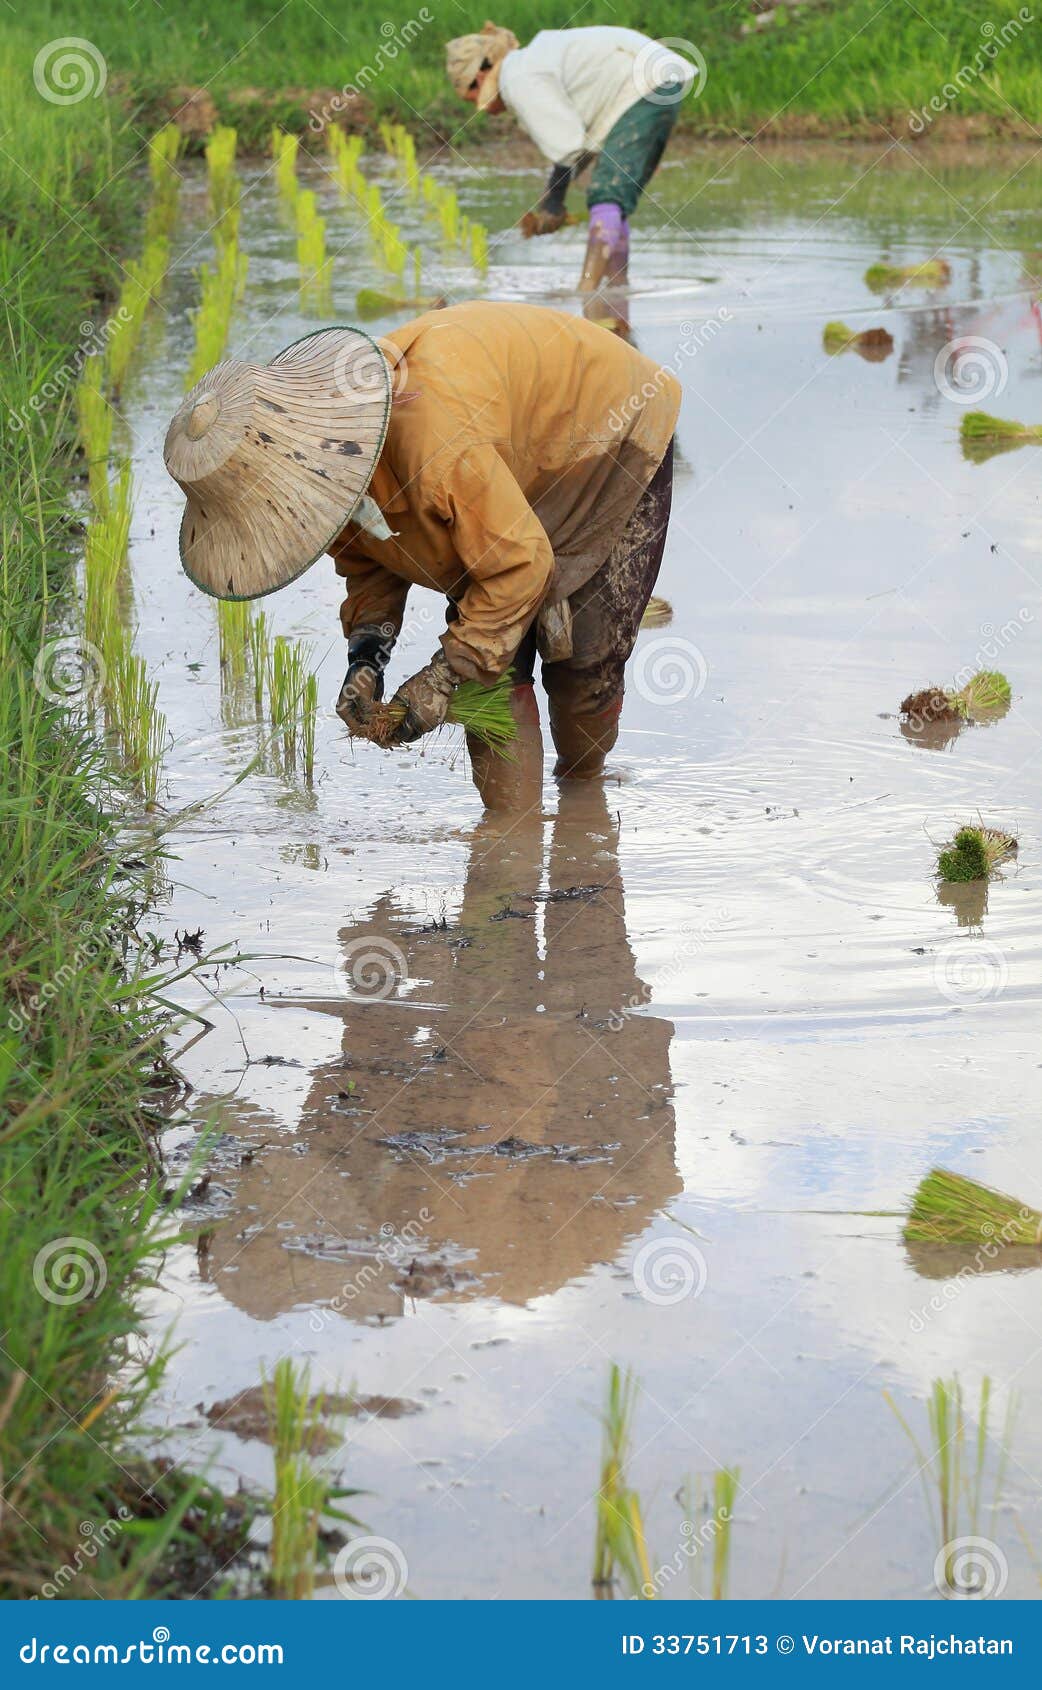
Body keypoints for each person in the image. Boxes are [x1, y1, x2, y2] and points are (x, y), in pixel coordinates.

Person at [163, 301, 679, 810]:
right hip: (502, 468)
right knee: (493, 677)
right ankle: (507, 857)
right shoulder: (330, 470)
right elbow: (369, 553)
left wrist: (441, 678)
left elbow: (521, 565)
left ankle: (581, 805)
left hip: (604, 436)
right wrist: (368, 656)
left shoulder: (435, 446)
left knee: (586, 662)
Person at [445, 22, 697, 290]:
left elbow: (568, 150)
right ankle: (617, 288)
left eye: (471, 96)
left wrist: (553, 204)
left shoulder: (516, 78)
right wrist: (553, 201)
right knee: (613, 200)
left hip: (642, 86)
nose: (478, 107)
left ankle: (586, 292)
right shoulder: (527, 65)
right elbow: (577, 146)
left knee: (607, 193)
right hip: (650, 80)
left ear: (481, 76)